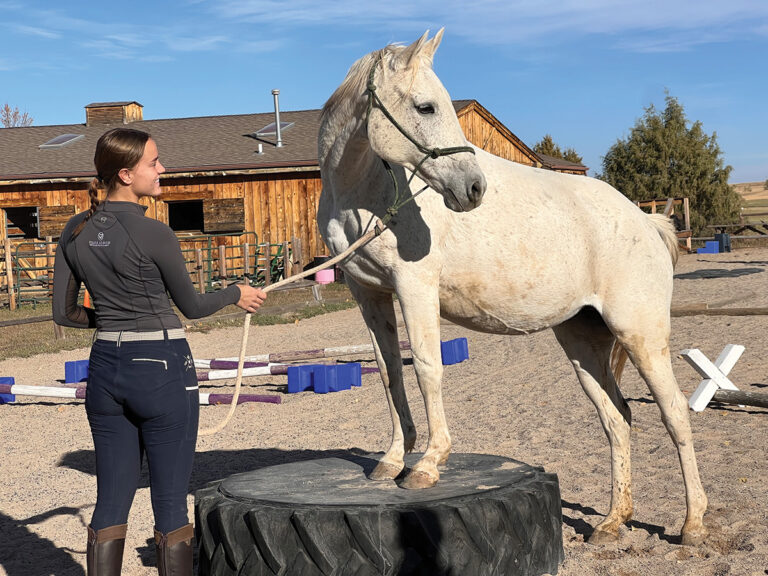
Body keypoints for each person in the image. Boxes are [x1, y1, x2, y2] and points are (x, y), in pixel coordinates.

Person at [52, 128, 266, 575]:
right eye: (154, 162)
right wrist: (235, 292)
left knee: (111, 500)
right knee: (169, 503)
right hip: (163, 370)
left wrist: (112, 322)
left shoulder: (75, 229)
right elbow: (191, 306)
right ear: (126, 174)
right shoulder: (155, 233)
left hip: (106, 368)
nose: (163, 168)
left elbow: (65, 313)